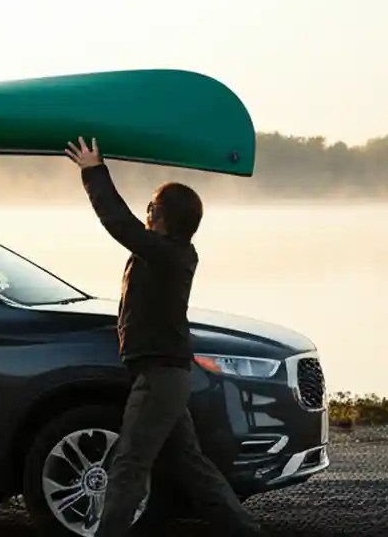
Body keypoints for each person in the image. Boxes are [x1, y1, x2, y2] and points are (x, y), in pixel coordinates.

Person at [64, 136, 261, 537]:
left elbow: (118, 223)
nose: (146, 212)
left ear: (163, 216)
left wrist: (93, 171)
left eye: (151, 207)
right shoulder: (168, 254)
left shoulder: (169, 253)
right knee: (192, 466)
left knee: (129, 465)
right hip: (165, 376)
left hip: (159, 378)